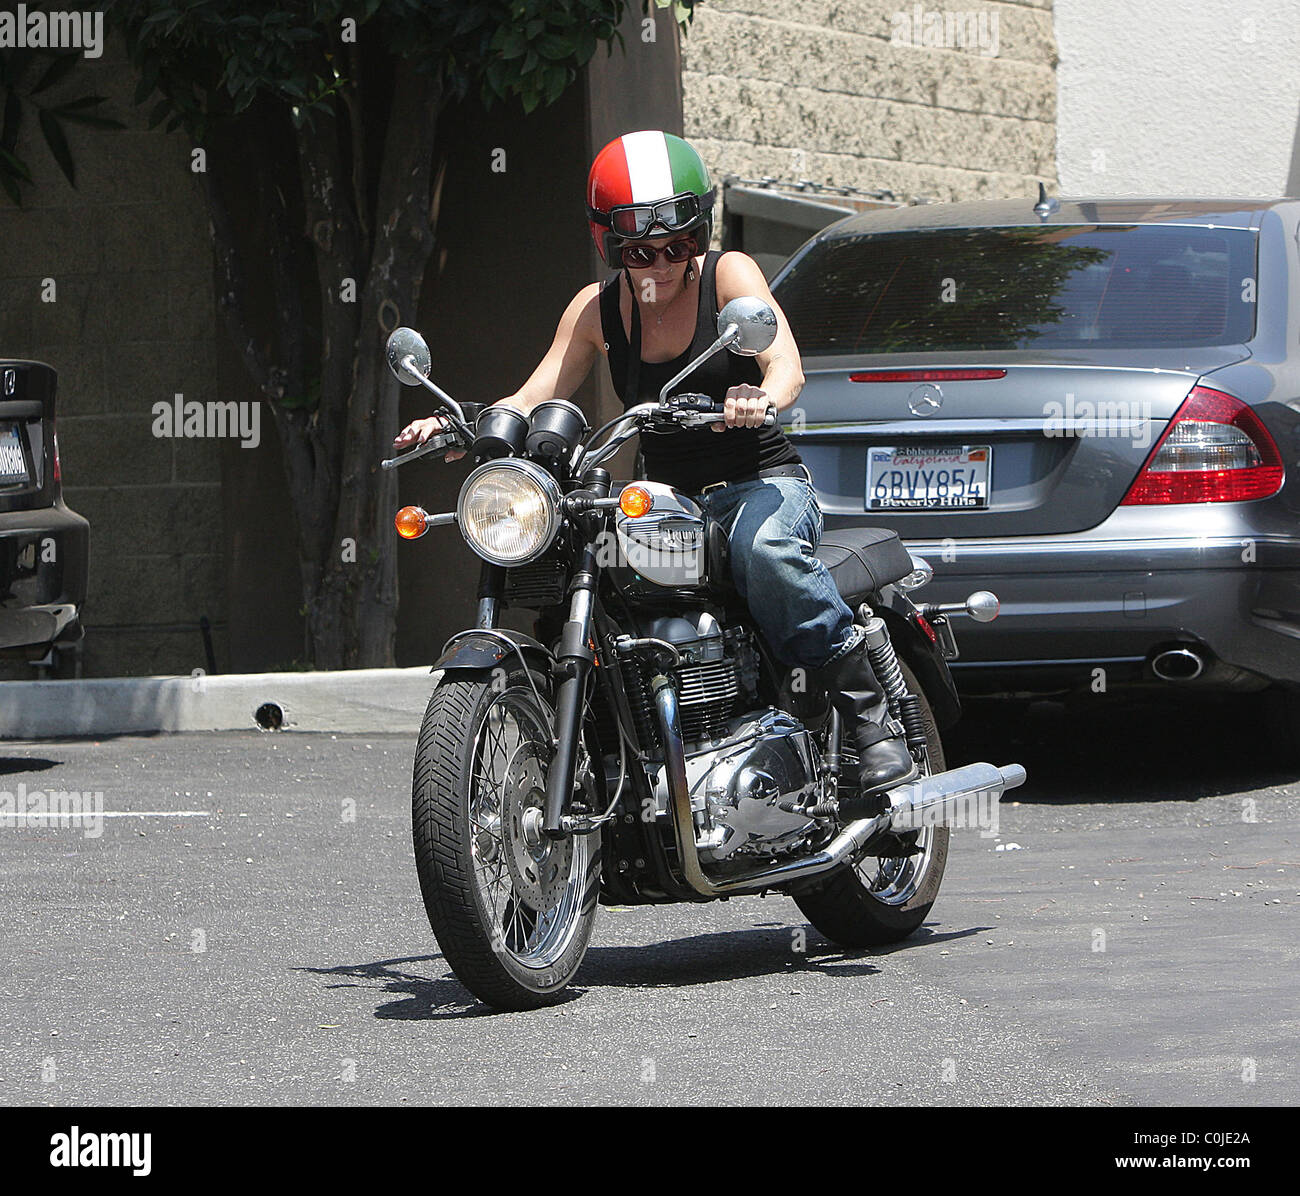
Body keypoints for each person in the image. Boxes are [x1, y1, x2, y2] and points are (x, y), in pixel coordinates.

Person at [394, 130, 914, 816]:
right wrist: (458, 423)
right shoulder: (596, 309)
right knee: (588, 561)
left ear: (697, 237)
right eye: (641, 251)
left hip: (762, 486)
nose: (661, 264)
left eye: (677, 247)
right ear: (613, 246)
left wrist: (760, 396)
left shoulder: (730, 277)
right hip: (664, 499)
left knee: (765, 553)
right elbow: (530, 394)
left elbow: (784, 363)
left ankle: (867, 710)